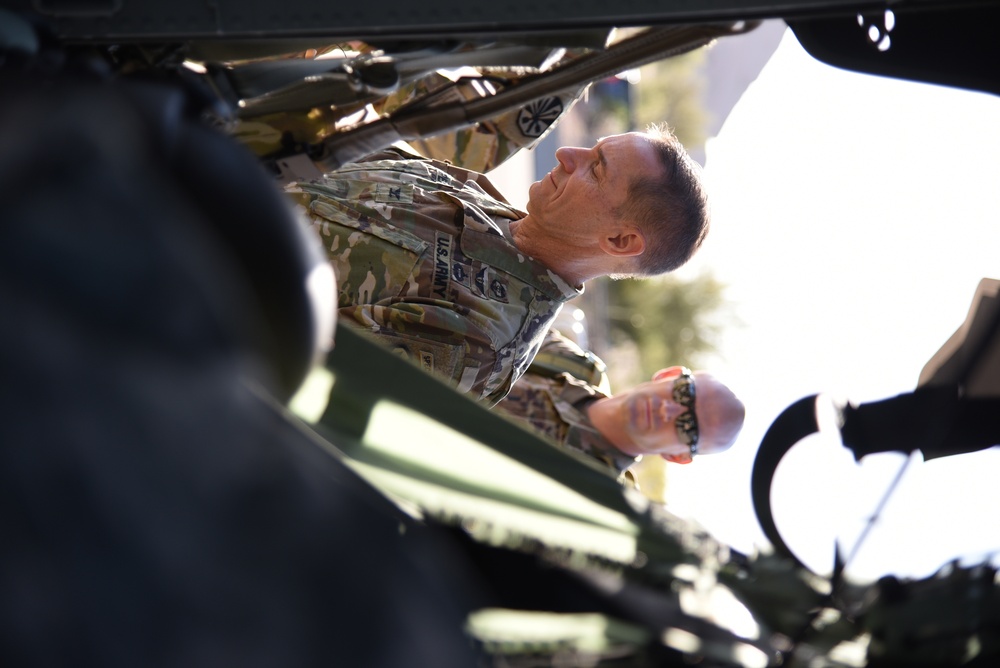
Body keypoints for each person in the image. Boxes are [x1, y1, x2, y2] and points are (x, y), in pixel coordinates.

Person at [286, 125, 710, 405]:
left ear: (620, 241)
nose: (566, 153)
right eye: (593, 147)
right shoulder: (483, 201)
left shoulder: (480, 342)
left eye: (596, 169)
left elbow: (287, 364)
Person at [495, 329, 744, 476]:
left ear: (677, 456)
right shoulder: (576, 366)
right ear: (669, 374)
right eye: (684, 392)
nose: (669, 409)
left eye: (688, 426)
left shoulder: (595, 497)